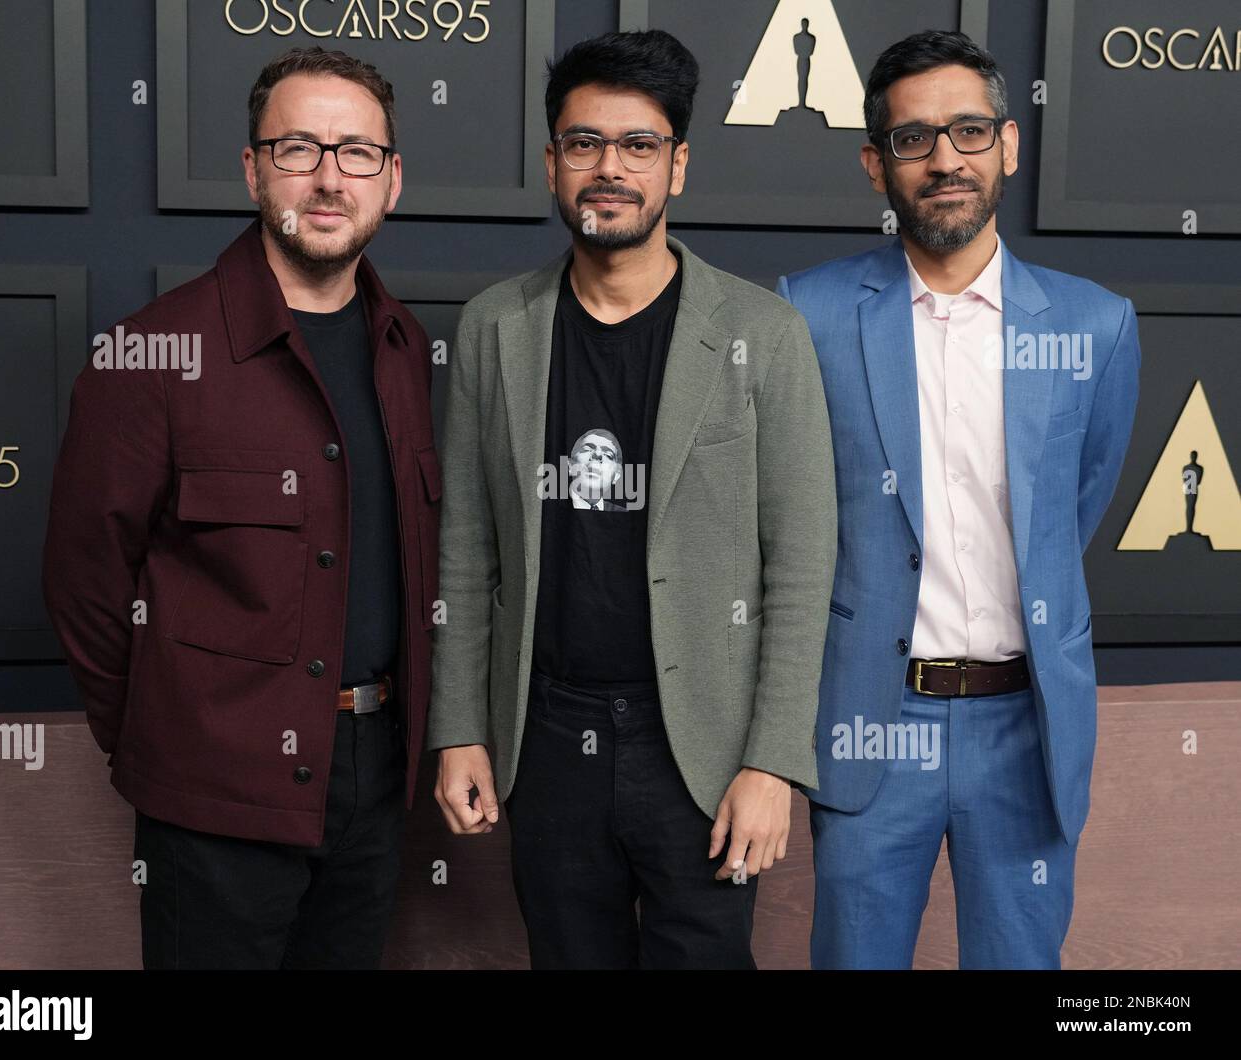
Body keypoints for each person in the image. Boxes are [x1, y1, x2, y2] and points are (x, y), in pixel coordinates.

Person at [427, 28, 836, 969]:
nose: (609, 169)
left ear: (677, 166)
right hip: (547, 730)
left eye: (638, 145)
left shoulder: (762, 333)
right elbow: (467, 546)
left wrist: (773, 763)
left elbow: (804, 563)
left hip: (700, 747)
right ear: (551, 163)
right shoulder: (495, 327)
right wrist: (459, 731)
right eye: (584, 144)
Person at [42, 46, 438, 969]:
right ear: (253, 168)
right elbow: (84, 585)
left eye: (356, 153)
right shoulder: (150, 355)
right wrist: (173, 741)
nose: (329, 177)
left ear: (393, 181)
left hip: (376, 788)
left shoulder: (406, 348)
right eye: (298, 148)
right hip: (210, 801)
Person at [778, 30, 1140, 968]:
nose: (946, 158)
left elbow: (1074, 507)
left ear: (1010, 146)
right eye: (914, 139)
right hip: (870, 720)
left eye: (970, 131)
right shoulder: (805, 314)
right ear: (874, 165)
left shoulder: (1096, 324)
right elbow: (785, 518)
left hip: (1027, 727)